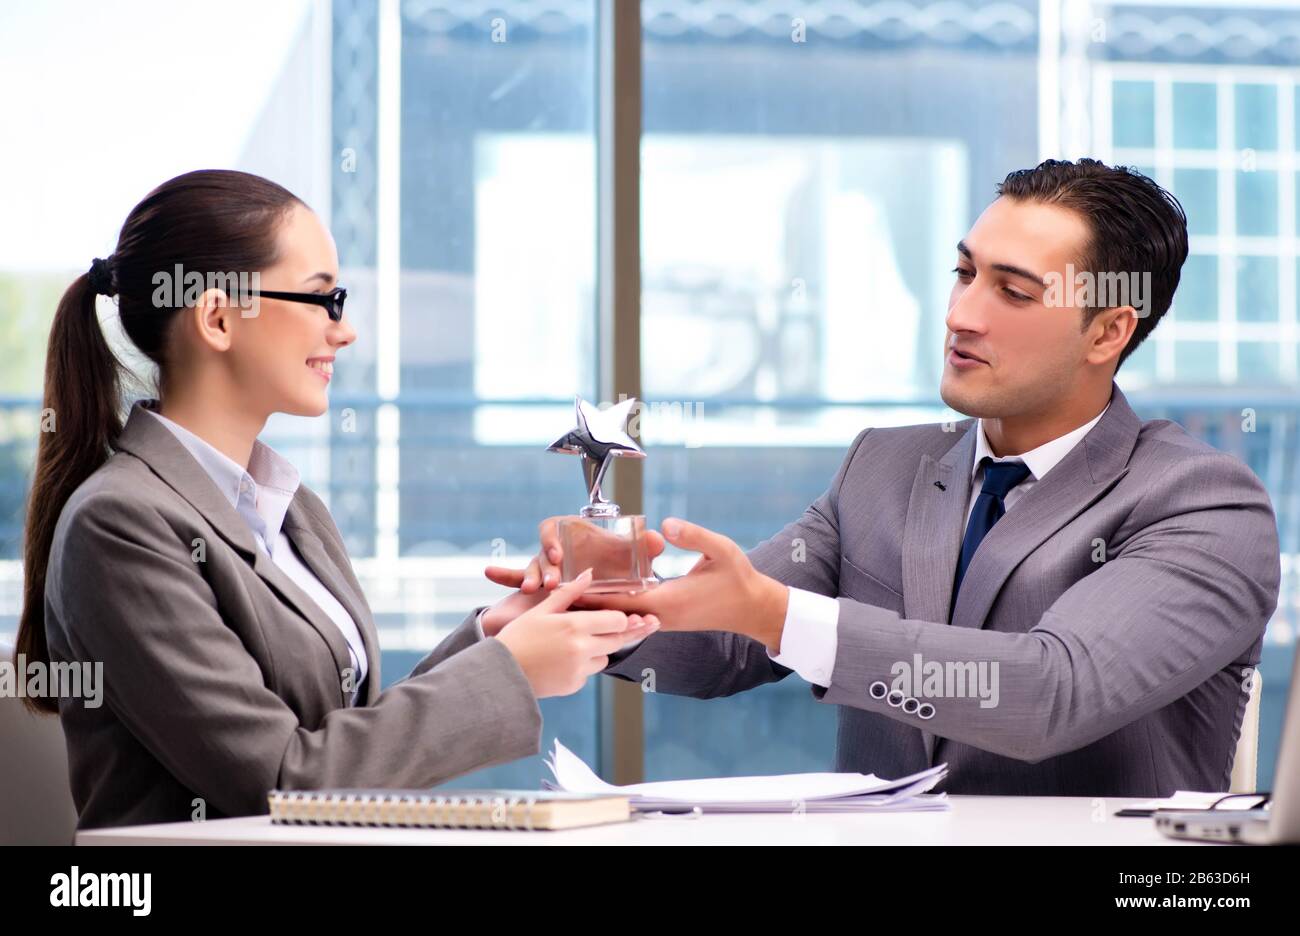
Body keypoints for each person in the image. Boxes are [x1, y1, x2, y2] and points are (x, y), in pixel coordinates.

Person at [490, 158, 1280, 797]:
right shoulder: (886, 466)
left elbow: (1052, 692)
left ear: (1108, 330)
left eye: (1011, 291)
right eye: (963, 273)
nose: (962, 314)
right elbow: (727, 645)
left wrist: (777, 614)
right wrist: (605, 598)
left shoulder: (1203, 506)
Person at [14, 169, 657, 829]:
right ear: (216, 317)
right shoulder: (118, 524)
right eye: (322, 299)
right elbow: (281, 781)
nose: (343, 331)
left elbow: (344, 737)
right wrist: (510, 671)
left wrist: (495, 636)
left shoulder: (291, 509)